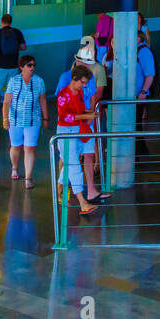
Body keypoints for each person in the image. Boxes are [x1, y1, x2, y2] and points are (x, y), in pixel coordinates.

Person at [56, 65, 100, 215]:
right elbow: (65, 117)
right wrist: (87, 116)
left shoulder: (79, 93)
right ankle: (82, 202)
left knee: (70, 162)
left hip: (77, 131)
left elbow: (78, 111)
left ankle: (59, 191)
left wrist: (88, 113)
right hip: (66, 132)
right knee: (74, 165)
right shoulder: (63, 95)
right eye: (82, 82)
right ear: (74, 79)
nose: (85, 85)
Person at [2, 54, 47, 186]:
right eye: (29, 65)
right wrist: (5, 119)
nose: (32, 67)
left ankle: (28, 177)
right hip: (15, 120)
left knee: (29, 148)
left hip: (34, 120)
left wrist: (46, 117)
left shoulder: (39, 81)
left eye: (33, 65)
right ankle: (15, 167)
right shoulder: (13, 81)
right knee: (15, 146)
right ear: (21, 67)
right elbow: (6, 102)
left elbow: (43, 100)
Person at [0, 15, 26, 122]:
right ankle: (11, 116)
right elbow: (24, 47)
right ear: (11, 22)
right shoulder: (17, 32)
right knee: (12, 92)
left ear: (1, 21)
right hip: (13, 66)